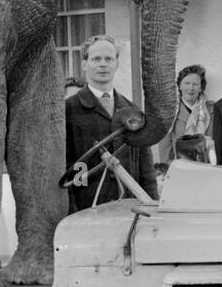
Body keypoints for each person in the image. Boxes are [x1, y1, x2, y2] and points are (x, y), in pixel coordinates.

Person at [64, 35, 158, 213]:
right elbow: (66, 166)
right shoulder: (68, 110)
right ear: (84, 64)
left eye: (108, 59)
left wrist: (153, 207)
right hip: (88, 208)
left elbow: (146, 169)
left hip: (130, 209)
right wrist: (72, 211)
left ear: (116, 64)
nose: (103, 64)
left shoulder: (132, 110)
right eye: (96, 59)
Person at [156, 64, 215, 170]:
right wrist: (168, 170)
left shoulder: (211, 110)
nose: (191, 88)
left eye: (195, 84)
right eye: (187, 83)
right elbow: (165, 147)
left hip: (207, 167)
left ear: (201, 88)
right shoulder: (170, 112)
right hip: (179, 167)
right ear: (180, 86)